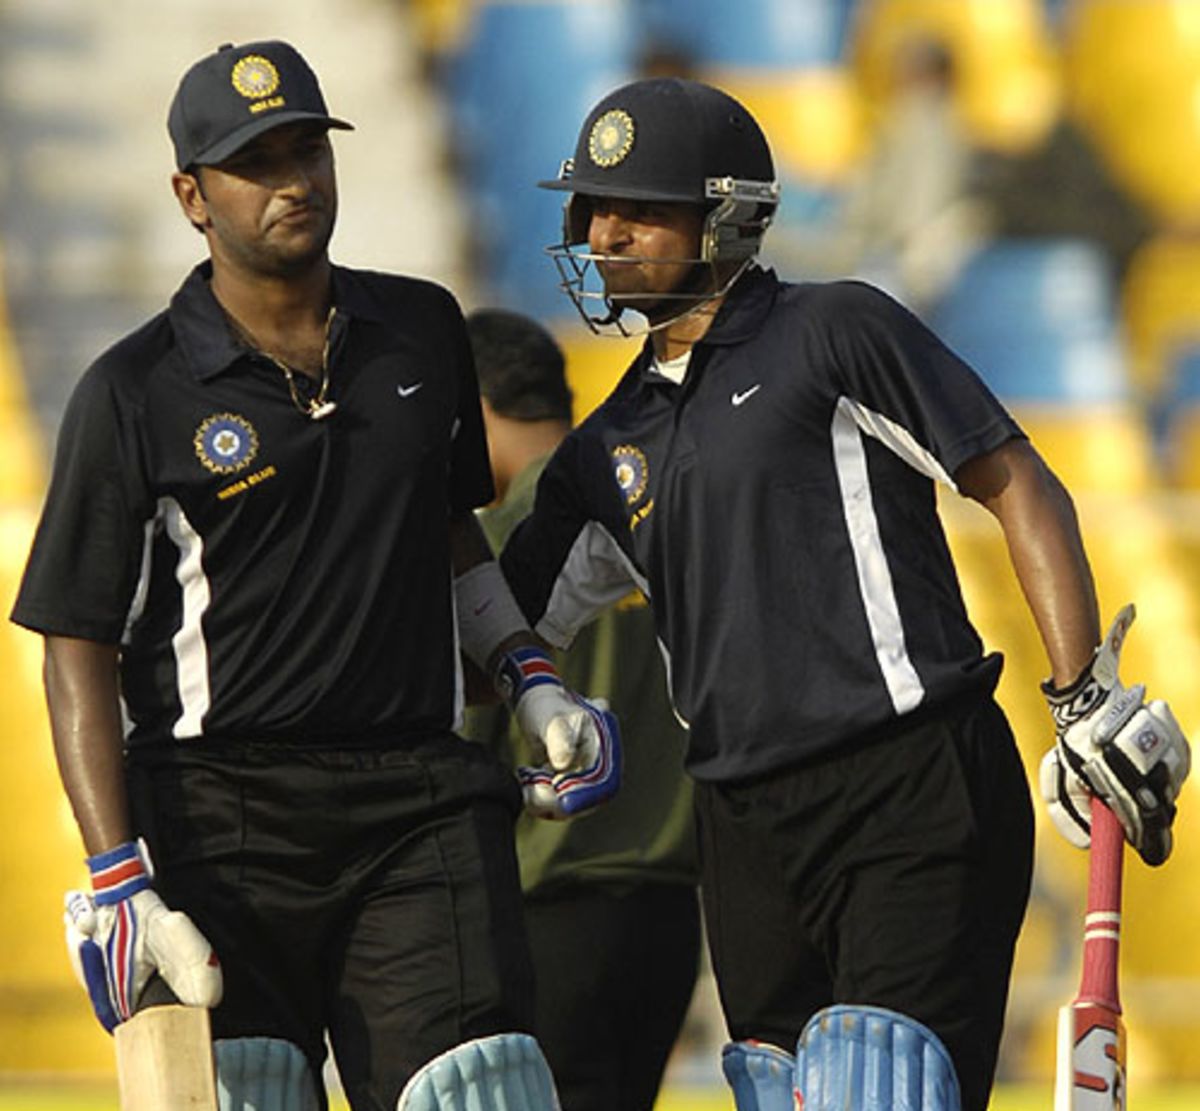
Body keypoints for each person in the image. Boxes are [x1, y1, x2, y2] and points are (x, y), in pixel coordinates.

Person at [494, 76, 1192, 1111]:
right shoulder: (607, 448)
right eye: (592, 207)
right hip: (738, 827)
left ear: (724, 212)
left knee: (882, 1088)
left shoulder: (835, 332)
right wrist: (532, 696)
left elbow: (1017, 484)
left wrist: (1081, 694)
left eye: (638, 206)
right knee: (778, 1094)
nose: (604, 232)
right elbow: (495, 618)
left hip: (908, 784)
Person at [10, 39, 619, 1111]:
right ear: (191, 196)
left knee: (487, 1091)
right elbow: (77, 643)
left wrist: (527, 673)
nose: (293, 180)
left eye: (307, 150)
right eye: (257, 163)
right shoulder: (133, 390)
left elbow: (445, 527)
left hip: (419, 799)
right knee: (250, 1092)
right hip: (220, 816)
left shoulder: (423, 328)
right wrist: (118, 876)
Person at [460, 308, 700, 1111]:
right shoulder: (656, 509)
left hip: (547, 905)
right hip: (671, 914)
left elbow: (466, 732)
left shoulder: (493, 538)